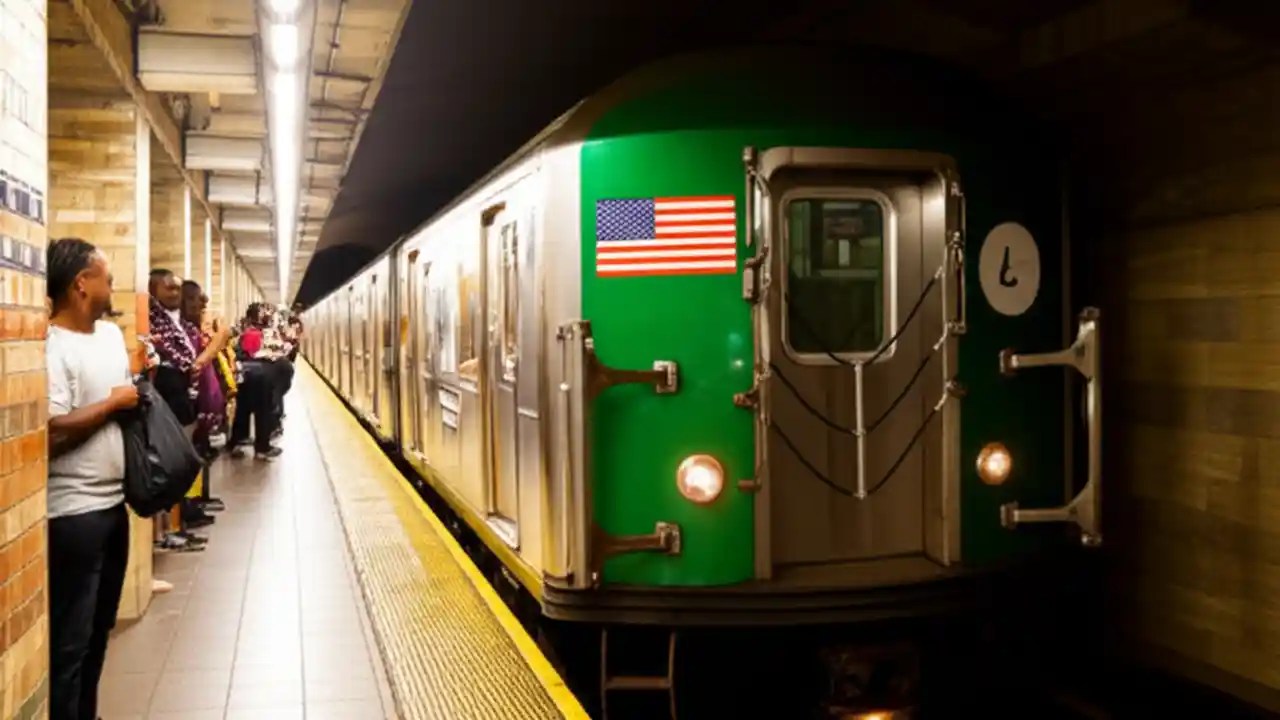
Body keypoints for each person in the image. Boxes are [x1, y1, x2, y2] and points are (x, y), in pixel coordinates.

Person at [45, 237, 138, 720]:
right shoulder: (51, 347)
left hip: (111, 508)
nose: (113, 284)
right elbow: (51, 432)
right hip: (71, 515)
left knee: (100, 629)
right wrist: (114, 404)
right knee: (70, 643)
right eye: (106, 275)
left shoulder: (109, 337)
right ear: (82, 284)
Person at [228, 303, 283, 459]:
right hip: (258, 375)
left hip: (246, 374)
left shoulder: (245, 330)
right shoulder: (255, 333)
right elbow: (258, 353)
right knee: (263, 410)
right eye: (267, 314)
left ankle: (237, 442)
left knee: (243, 409)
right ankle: (262, 448)